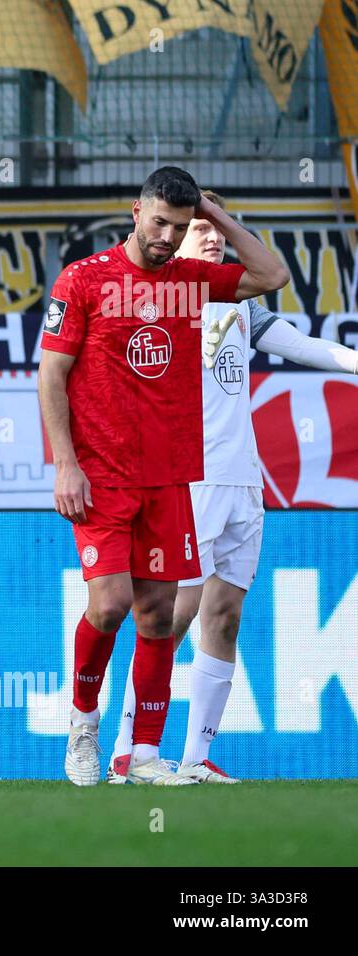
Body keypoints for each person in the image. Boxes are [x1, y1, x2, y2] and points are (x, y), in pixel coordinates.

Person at [38, 166, 288, 786]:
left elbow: (271, 275)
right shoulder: (85, 279)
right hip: (102, 475)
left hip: (172, 476)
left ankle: (146, 756)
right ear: (134, 211)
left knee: (157, 617)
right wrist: (65, 463)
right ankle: (83, 724)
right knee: (112, 602)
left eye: (180, 227)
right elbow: (51, 374)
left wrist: (214, 212)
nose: (167, 238)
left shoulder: (195, 282)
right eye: (159, 223)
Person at [109, 189, 358, 784]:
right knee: (172, 617)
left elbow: (302, 347)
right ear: (174, 242)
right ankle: (126, 749)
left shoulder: (239, 309)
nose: (213, 238)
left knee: (224, 616)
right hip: (190, 482)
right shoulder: (161, 304)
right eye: (199, 230)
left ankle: (196, 757)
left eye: (217, 229)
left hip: (244, 484)